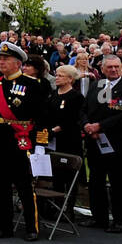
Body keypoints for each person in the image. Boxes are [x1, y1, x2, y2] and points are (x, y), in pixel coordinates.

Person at [0, 41, 47, 240]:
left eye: (6, 59)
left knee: (24, 186)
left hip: (21, 139)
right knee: (0, 185)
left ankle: (31, 227)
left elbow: (42, 117)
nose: (1, 62)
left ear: (18, 63)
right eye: (0, 59)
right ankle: (5, 226)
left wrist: (40, 145)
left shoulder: (32, 85)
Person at [81, 55, 122, 233]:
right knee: (96, 181)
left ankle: (120, 220)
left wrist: (100, 126)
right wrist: (87, 127)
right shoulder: (96, 86)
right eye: (109, 67)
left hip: (118, 144)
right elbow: (84, 109)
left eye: (116, 67)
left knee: (119, 183)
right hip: (95, 142)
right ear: (102, 69)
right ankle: (98, 217)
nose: (113, 70)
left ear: (121, 68)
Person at [46, 64, 86, 209]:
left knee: (69, 174)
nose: (56, 78)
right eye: (56, 75)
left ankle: (68, 208)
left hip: (68, 140)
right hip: (52, 140)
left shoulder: (76, 97)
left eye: (60, 75)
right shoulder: (53, 94)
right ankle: (56, 206)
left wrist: (56, 129)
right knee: (56, 174)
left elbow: (74, 118)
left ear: (70, 79)